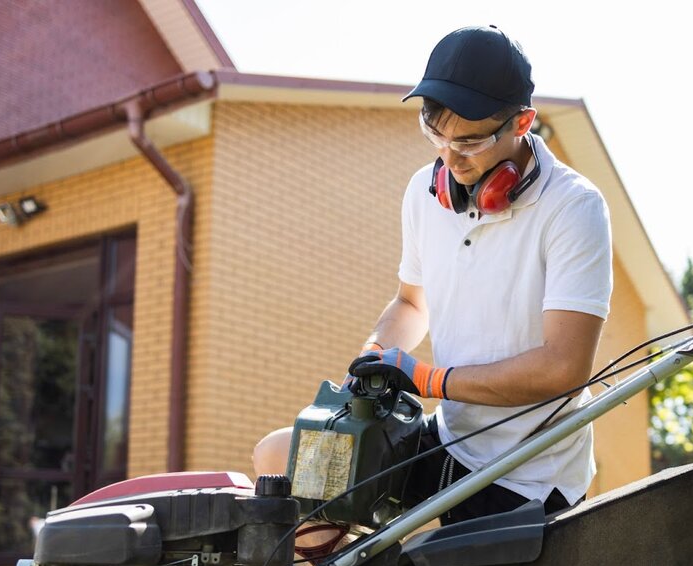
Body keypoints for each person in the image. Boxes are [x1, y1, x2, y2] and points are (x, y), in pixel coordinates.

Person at [254, 24, 612, 532]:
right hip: (446, 438)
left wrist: (427, 379)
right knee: (283, 459)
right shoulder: (424, 191)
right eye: (435, 136)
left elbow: (564, 367)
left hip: (528, 470)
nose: (449, 158)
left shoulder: (574, 208)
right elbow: (411, 303)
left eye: (470, 141)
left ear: (523, 122)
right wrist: (378, 353)